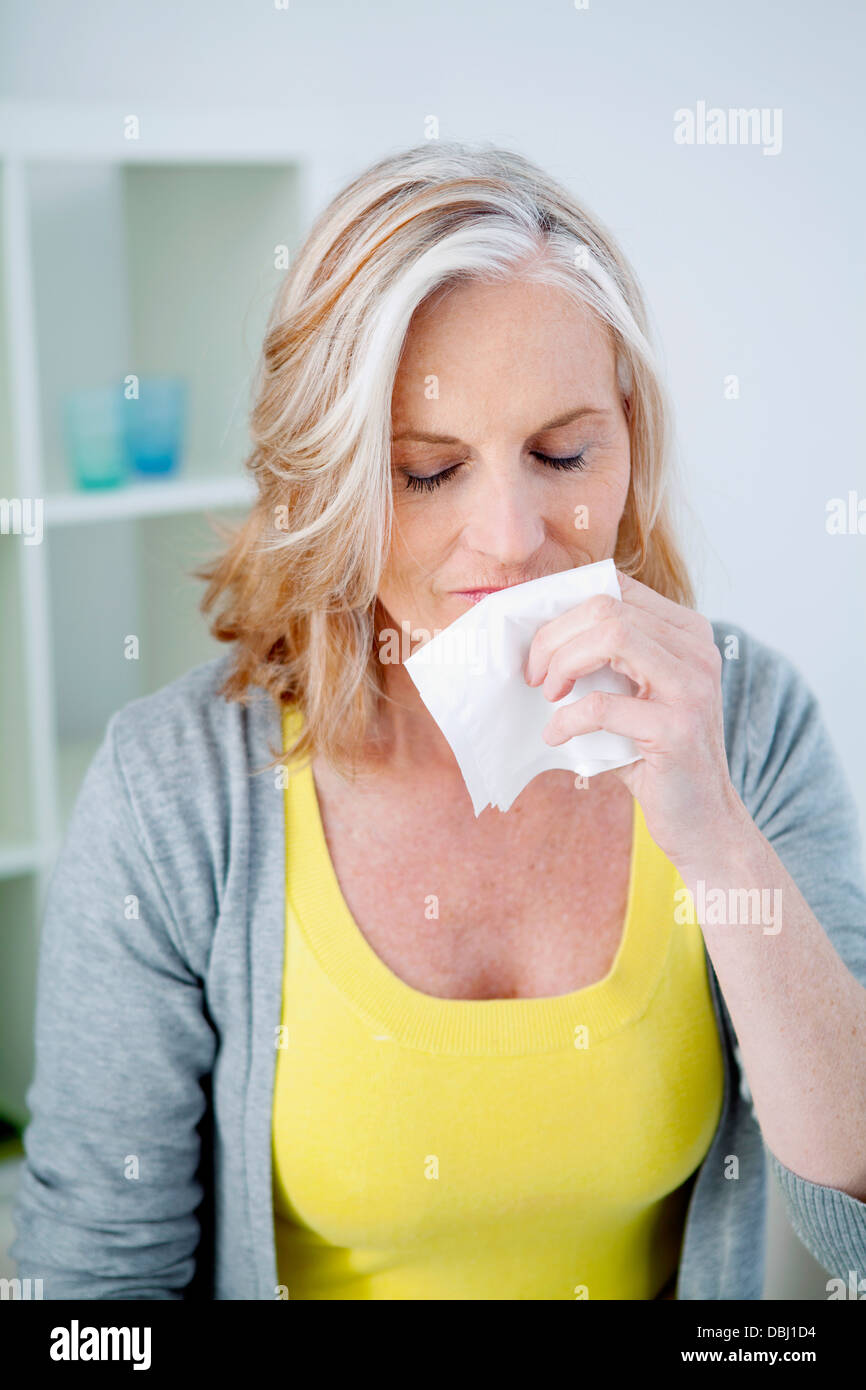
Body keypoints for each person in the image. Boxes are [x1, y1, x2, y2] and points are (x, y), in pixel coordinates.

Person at [10, 141, 866, 1300]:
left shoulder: (743, 722)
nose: (510, 536)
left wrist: (713, 833)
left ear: (630, 439)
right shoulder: (179, 793)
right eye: (426, 471)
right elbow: (93, 1293)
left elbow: (851, 1225)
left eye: (562, 452)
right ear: (325, 479)